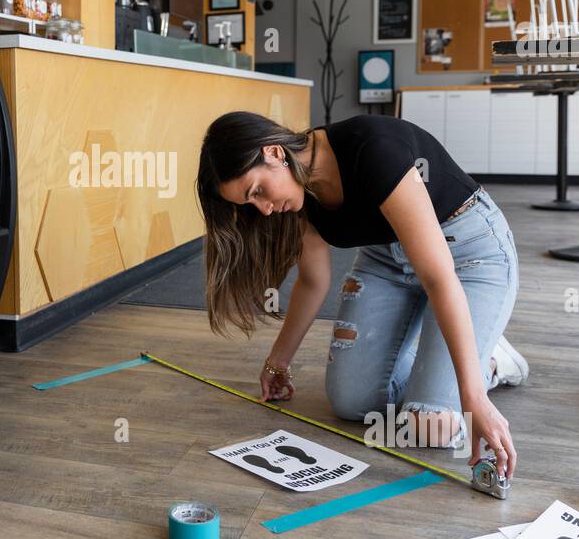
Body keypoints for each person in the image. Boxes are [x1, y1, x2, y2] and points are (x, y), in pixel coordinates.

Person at [195, 110, 527, 478]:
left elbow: (438, 277)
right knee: (352, 403)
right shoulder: (298, 192)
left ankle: (491, 361)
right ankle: (446, 355)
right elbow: (313, 281)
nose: (263, 208)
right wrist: (278, 362)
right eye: (250, 204)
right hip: (386, 260)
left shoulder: (373, 148)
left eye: (257, 191)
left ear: (274, 153)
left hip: (467, 257)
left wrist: (473, 398)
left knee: (431, 427)